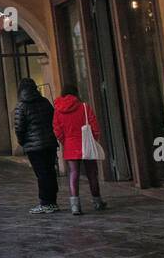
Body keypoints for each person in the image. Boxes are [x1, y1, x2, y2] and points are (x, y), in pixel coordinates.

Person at [52, 87, 107, 215]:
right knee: (92, 173)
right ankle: (97, 201)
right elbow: (94, 126)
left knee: (73, 174)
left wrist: (64, 141)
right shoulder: (84, 107)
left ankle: (75, 206)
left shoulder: (58, 110)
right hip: (86, 142)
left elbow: (57, 129)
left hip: (70, 144)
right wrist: (94, 139)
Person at [13, 78, 59, 214]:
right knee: (50, 172)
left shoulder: (21, 106)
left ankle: (45, 202)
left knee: (41, 174)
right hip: (49, 143)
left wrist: (22, 142)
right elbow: (53, 119)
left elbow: (19, 128)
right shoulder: (44, 102)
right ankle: (52, 201)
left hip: (34, 146)